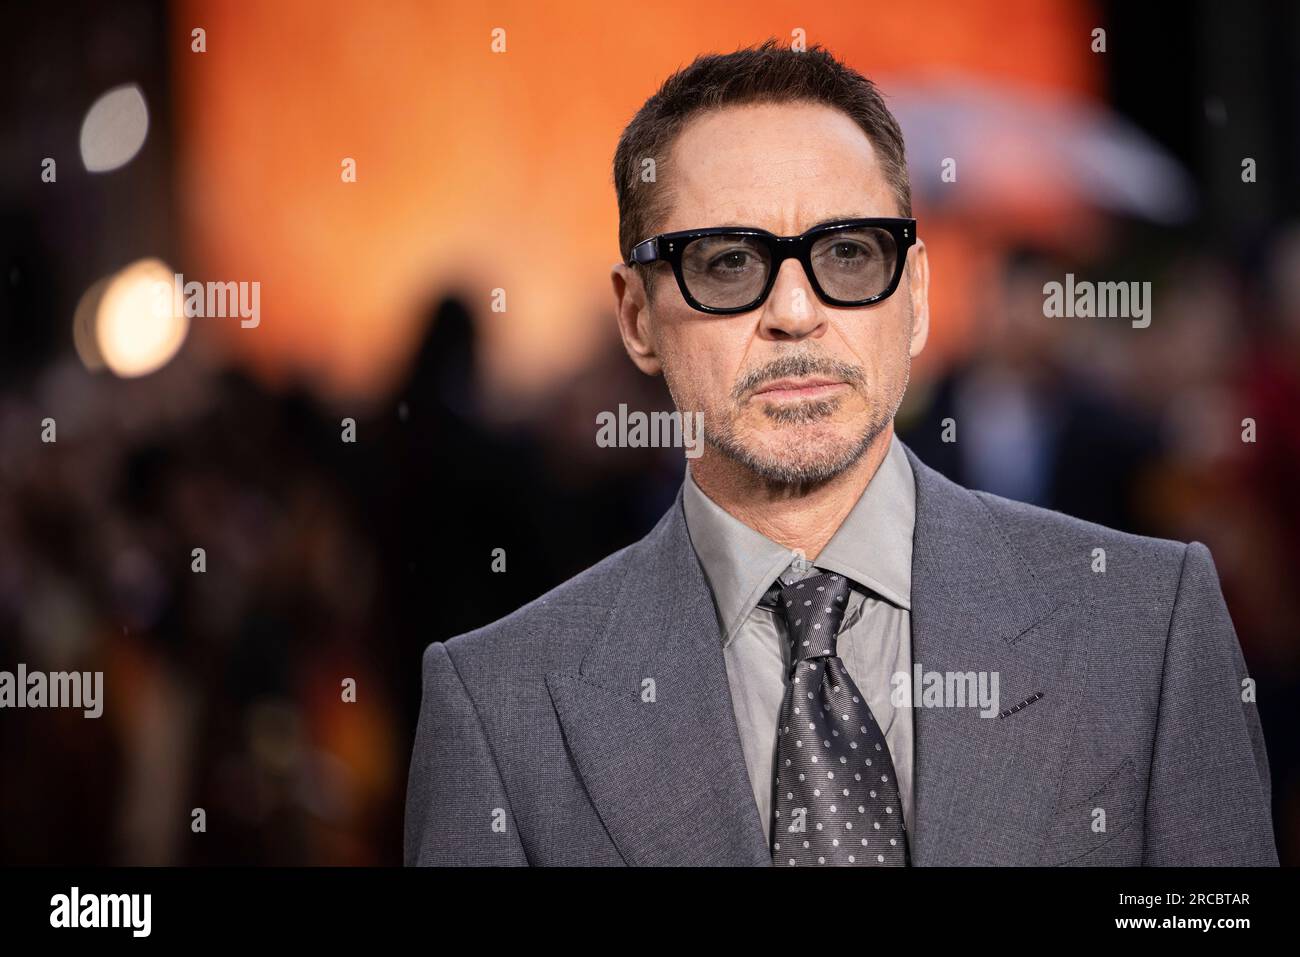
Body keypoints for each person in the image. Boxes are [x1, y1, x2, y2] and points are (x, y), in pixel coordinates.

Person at [403, 39, 1278, 866]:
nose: (795, 310)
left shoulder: (1148, 628)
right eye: (726, 262)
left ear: (920, 297)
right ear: (636, 316)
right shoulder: (497, 705)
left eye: (850, 253)